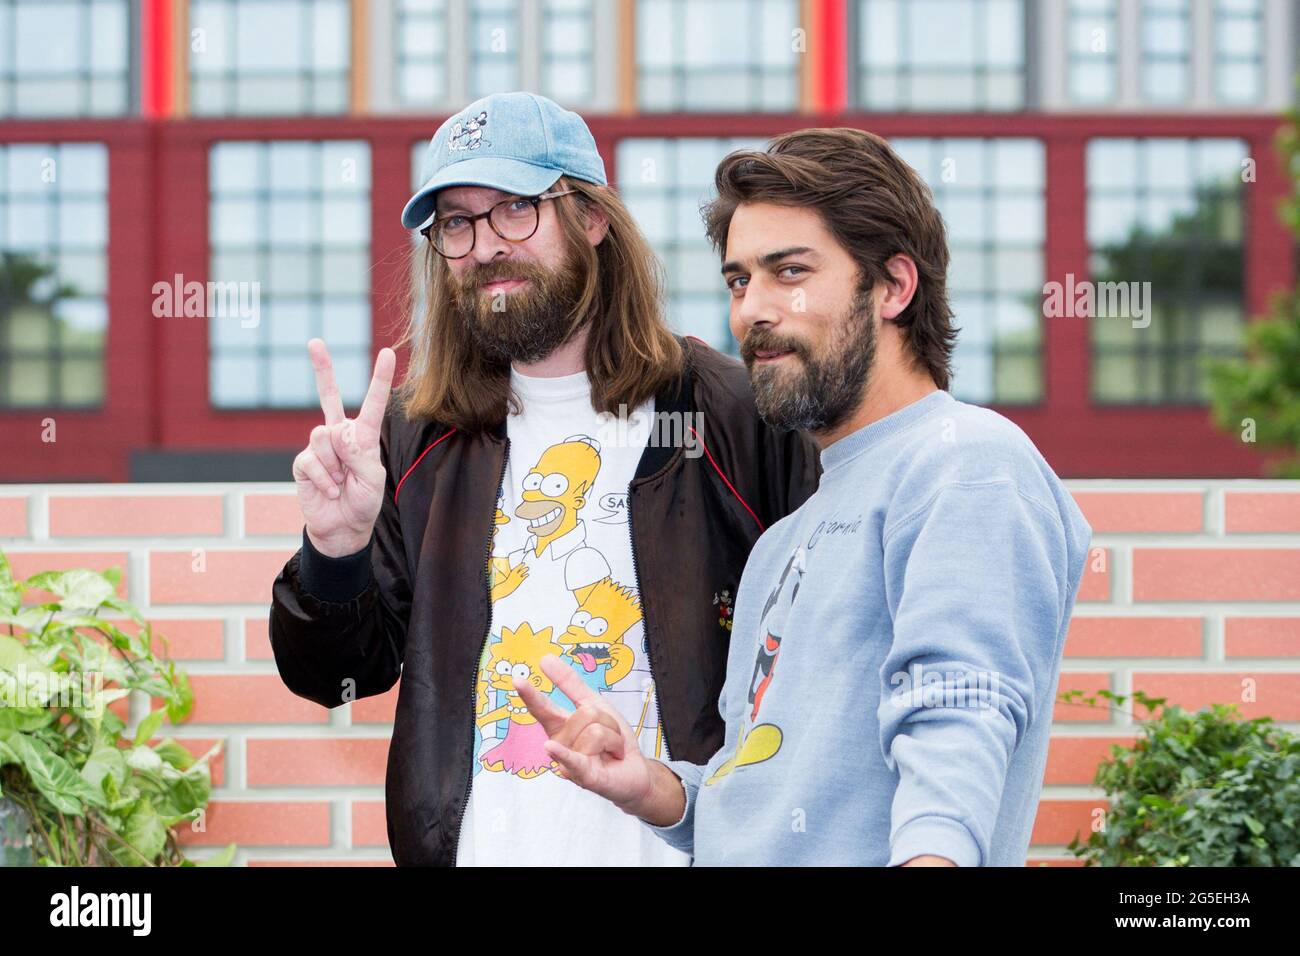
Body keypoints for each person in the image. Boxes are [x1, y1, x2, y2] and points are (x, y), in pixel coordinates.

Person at [267, 92, 820, 866]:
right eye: (456, 222)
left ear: (592, 219)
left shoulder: (730, 414)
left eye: (515, 209)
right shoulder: (419, 433)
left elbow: (820, 657)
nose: (485, 244)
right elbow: (339, 678)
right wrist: (335, 550)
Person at [515, 127, 1094, 866]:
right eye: (737, 280)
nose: (751, 309)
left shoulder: (966, 462)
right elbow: (755, 784)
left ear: (893, 286)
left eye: (788, 272)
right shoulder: (782, 543)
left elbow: (960, 716)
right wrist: (656, 789)